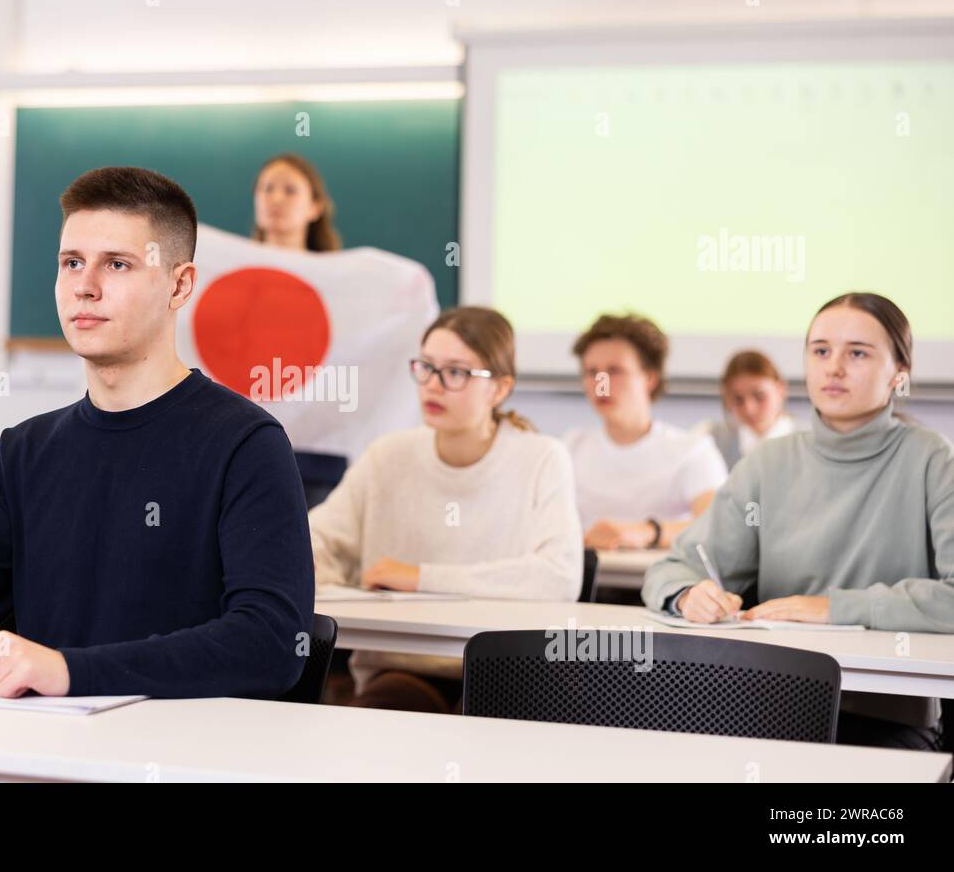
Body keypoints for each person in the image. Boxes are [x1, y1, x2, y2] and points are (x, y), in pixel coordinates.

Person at [0, 166, 313, 700]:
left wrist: (69, 672)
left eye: (117, 264)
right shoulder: (24, 451)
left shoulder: (246, 443)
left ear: (179, 285)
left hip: (182, 757)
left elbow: (273, 642)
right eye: (72, 263)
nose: (86, 287)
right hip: (43, 753)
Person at [643, 292, 953, 750]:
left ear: (898, 376)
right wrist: (689, 595)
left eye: (858, 353)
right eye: (821, 351)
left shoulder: (932, 459)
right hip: (771, 705)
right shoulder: (769, 463)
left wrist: (835, 608)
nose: (835, 368)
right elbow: (671, 569)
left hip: (886, 715)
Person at [309, 306, 583, 712]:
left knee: (488, 731)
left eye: (456, 373)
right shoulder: (388, 456)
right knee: (383, 716)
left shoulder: (542, 458)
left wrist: (419, 578)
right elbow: (310, 543)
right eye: (426, 367)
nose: (432, 386)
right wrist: (347, 594)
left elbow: (558, 577)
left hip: (508, 671)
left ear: (500, 388)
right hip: (401, 668)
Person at [563, 313, 727, 551]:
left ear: (650, 378)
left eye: (614, 371)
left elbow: (717, 527)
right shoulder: (571, 447)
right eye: (591, 372)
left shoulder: (692, 449)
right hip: (585, 582)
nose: (601, 384)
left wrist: (648, 532)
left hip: (665, 584)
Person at [704, 349, 799, 469]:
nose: (749, 409)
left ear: (781, 389)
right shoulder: (712, 439)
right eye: (738, 399)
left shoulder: (811, 442)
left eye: (759, 396)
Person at [249, 153, 341, 252]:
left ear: (315, 207)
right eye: (268, 188)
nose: (276, 199)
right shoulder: (236, 263)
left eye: (290, 191)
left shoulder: (331, 266)